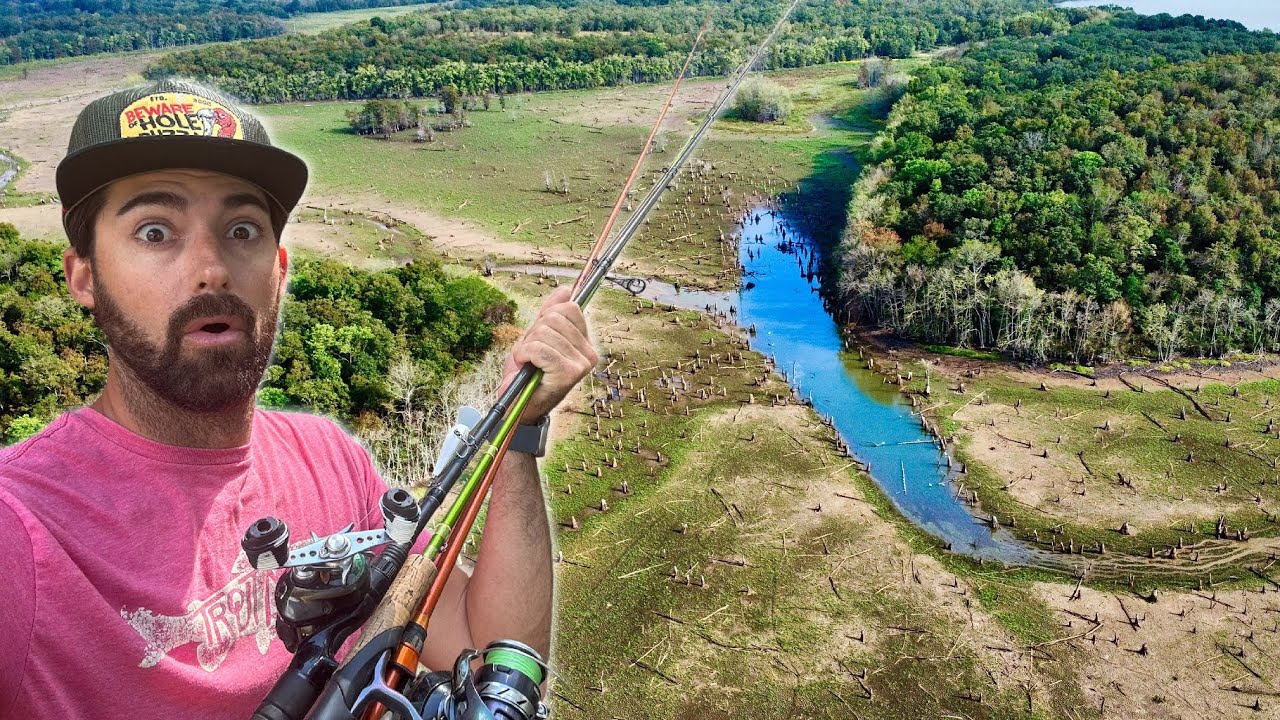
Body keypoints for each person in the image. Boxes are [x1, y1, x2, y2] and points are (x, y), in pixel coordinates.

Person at [0, 79, 597, 718]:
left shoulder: (330, 459)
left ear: (279, 270)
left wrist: (518, 430)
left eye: (241, 229)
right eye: (154, 232)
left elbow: (493, 657)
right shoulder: (22, 530)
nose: (212, 268)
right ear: (85, 276)